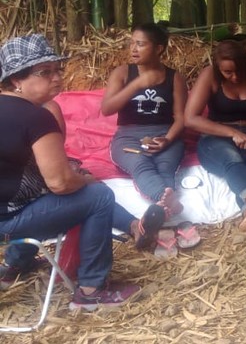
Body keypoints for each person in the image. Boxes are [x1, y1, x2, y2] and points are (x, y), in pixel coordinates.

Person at [0, 34, 144, 310]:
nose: (56, 78)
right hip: (8, 221)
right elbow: (60, 183)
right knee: (98, 195)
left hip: (7, 210)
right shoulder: (35, 117)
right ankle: (91, 290)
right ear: (16, 79)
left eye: (57, 70)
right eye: (44, 72)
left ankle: (15, 264)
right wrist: (85, 179)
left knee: (37, 198)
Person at [186, 40, 246, 232]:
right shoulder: (209, 75)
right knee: (232, 159)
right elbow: (190, 118)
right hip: (215, 136)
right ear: (218, 68)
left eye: (240, 70)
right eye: (228, 72)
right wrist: (232, 132)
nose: (235, 77)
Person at [101, 23, 187, 218]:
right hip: (128, 136)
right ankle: (167, 201)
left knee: (165, 167)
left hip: (166, 134)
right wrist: (136, 85)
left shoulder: (174, 78)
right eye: (131, 43)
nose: (133, 49)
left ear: (158, 48)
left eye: (140, 44)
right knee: (140, 163)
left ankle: (162, 208)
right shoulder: (123, 73)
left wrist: (168, 139)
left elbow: (181, 118)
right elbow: (106, 109)